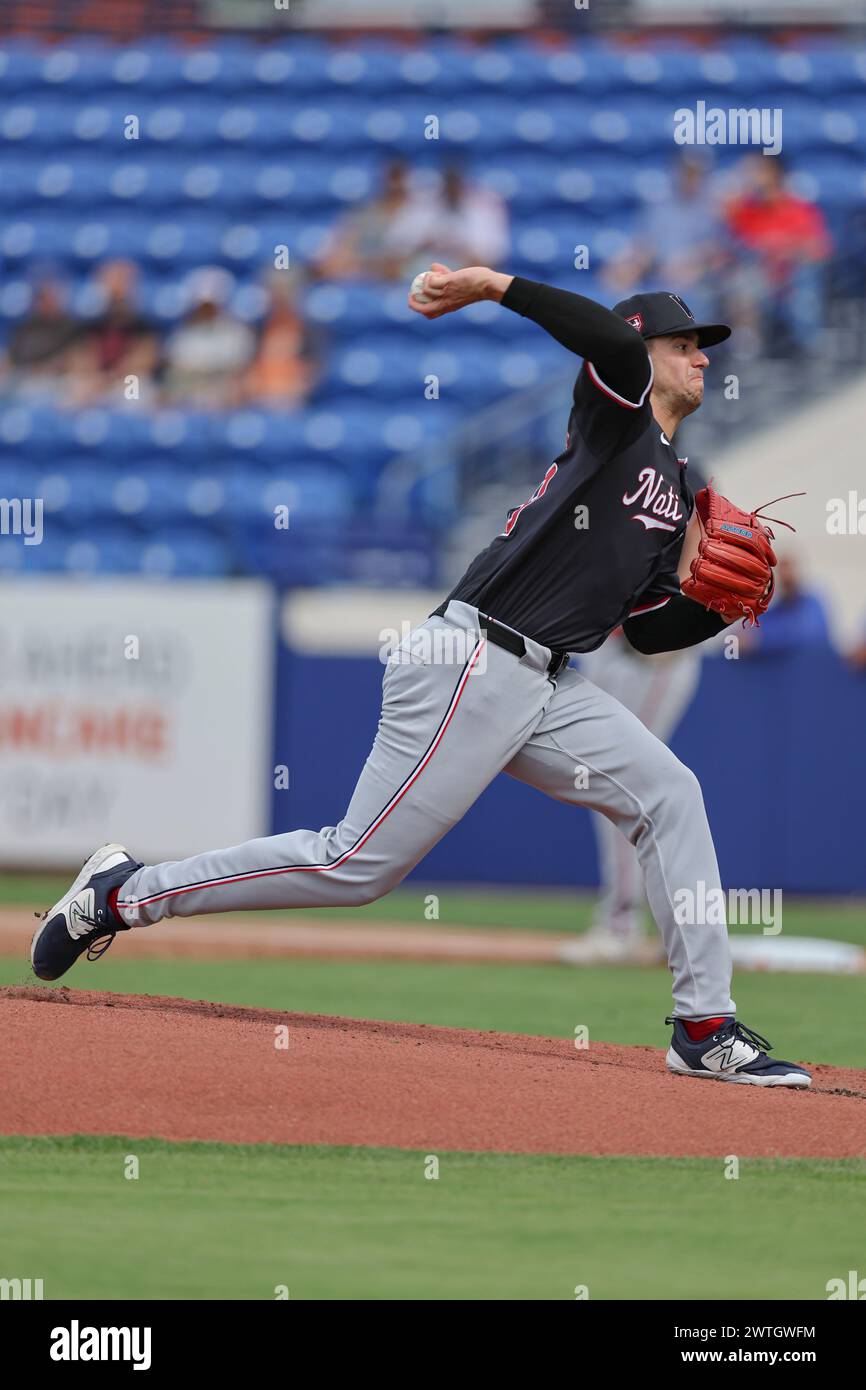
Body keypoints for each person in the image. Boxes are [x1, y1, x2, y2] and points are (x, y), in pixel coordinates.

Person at [32, 267, 811, 1088]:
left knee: (670, 792)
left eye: (703, 348)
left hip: (549, 682)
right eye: (684, 345)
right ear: (644, 352)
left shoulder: (681, 488)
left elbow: (647, 634)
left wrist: (717, 610)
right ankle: (123, 895)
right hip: (470, 660)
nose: (702, 360)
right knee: (353, 867)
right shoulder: (616, 420)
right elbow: (611, 342)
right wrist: (489, 283)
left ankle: (705, 1027)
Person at [575, 466, 710, 963]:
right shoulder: (626, 466)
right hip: (609, 646)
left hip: (651, 657)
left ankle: (623, 922)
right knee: (613, 784)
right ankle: (637, 922)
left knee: (624, 784)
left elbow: (696, 546)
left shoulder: (682, 475)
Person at [724, 155, 832, 356]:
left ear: (775, 175)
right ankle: (747, 354)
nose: (754, 178)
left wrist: (787, 250)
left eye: (759, 172)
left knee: (803, 296)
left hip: (793, 278)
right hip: (761, 279)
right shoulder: (746, 211)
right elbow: (729, 245)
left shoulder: (798, 209)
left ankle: (811, 356)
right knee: (742, 284)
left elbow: (819, 250)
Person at [604, 156, 726, 326]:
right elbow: (644, 243)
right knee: (618, 276)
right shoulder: (659, 206)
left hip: (696, 274)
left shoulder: (713, 209)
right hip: (657, 269)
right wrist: (632, 263)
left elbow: (716, 248)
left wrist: (691, 264)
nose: (690, 179)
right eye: (686, 174)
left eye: (695, 175)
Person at [66, 259, 159, 407]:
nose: (116, 297)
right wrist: (96, 375)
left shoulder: (142, 323)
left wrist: (115, 375)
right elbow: (79, 355)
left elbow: (146, 357)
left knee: (135, 393)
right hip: (96, 378)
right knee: (73, 393)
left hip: (128, 377)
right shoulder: (92, 321)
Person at [163, 267, 255, 410]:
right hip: (191, 391)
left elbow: (238, 366)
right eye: (203, 305)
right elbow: (179, 367)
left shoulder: (236, 333)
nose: (207, 310)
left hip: (223, 393)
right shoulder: (184, 333)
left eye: (211, 305)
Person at [242, 269, 321, 410]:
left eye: (285, 290)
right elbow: (247, 370)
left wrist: (292, 388)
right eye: (275, 290)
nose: (280, 296)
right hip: (259, 399)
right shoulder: (257, 328)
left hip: (294, 400)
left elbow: (315, 370)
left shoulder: (311, 330)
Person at [1, 277, 82, 402]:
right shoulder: (25, 327)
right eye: (42, 300)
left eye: (51, 299)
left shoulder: (71, 327)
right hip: (19, 377)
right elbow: (10, 356)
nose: (46, 304)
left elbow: (73, 358)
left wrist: (40, 370)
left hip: (55, 379)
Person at [736, 552, 831, 655]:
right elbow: (746, 632)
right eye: (782, 575)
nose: (786, 576)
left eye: (790, 574)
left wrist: (761, 641)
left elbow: (810, 635)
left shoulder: (812, 605)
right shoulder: (773, 611)